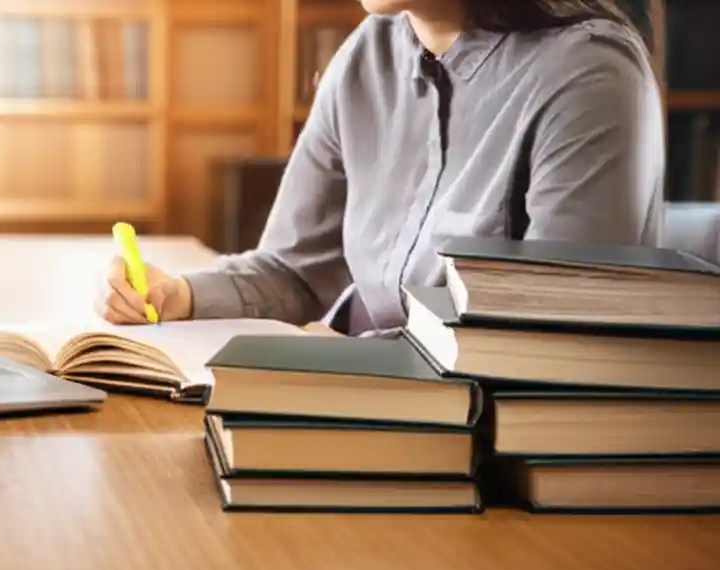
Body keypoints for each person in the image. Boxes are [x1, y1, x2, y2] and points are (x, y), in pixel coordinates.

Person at [98, 0, 663, 335]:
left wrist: (357, 365)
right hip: (390, 439)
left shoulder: (590, 76)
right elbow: (296, 272)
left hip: (521, 471)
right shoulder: (367, 56)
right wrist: (181, 296)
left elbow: (551, 337)